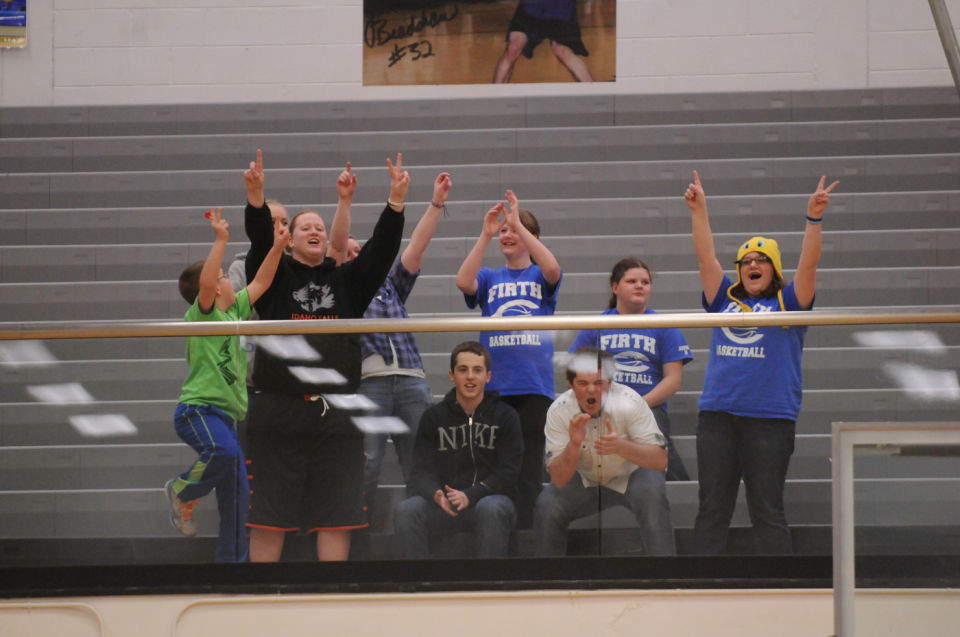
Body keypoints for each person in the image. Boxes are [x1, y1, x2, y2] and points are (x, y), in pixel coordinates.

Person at [242, 150, 407, 562]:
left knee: (337, 519)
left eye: (320, 226)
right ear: (290, 239)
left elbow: (381, 252)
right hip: (278, 412)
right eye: (305, 227)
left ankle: (331, 596)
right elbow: (260, 240)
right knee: (269, 519)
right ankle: (261, 597)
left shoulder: (348, 282)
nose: (314, 230)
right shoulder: (274, 276)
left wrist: (396, 202)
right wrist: (256, 197)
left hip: (337, 415)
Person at [683, 170, 839, 554]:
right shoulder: (724, 298)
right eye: (746, 261)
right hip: (718, 418)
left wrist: (814, 218)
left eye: (761, 260)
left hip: (769, 420)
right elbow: (705, 257)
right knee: (711, 511)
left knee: (767, 512)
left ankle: (779, 585)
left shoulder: (788, 302)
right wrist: (699, 210)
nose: (752, 265)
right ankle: (701, 586)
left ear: (773, 268)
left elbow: (809, 267)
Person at [166, 206, 287, 562]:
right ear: (212, 288)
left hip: (226, 418)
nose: (229, 282)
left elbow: (262, 282)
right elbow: (205, 283)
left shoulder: (235, 312)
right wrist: (221, 239)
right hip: (198, 411)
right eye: (223, 277)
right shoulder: (204, 314)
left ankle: (232, 565)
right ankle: (182, 490)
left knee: (238, 496)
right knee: (224, 453)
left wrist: (278, 248)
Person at [342, 173, 452, 524]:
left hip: (410, 379)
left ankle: (420, 530)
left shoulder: (389, 285)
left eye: (360, 250)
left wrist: (436, 203)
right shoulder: (341, 291)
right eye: (349, 251)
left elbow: (416, 247)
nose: (357, 254)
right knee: (367, 461)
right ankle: (355, 529)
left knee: (420, 462)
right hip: (368, 383)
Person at [455, 189, 562, 529]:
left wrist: (518, 223)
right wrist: (485, 234)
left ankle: (528, 535)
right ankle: (499, 529)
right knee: (497, 465)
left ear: (532, 237)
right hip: (495, 388)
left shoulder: (539, 276)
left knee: (529, 468)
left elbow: (552, 267)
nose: (507, 235)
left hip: (533, 387)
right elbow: (463, 281)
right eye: (504, 231)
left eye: (515, 230)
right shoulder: (490, 277)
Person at [533, 348, 675, 556]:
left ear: (610, 382)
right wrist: (573, 445)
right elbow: (558, 477)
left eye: (599, 383)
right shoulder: (559, 411)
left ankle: (666, 573)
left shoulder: (631, 402)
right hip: (585, 479)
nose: (591, 390)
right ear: (570, 384)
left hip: (632, 474)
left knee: (653, 495)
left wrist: (621, 447)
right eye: (583, 383)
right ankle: (546, 576)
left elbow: (660, 460)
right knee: (548, 505)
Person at [393, 341, 523, 558]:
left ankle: (490, 580)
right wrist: (435, 494)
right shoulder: (433, 417)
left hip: (489, 501)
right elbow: (420, 471)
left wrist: (470, 495)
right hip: (444, 504)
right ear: (452, 375)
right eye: (463, 370)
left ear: (488, 376)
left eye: (477, 370)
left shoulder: (506, 416)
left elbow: (509, 472)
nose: (470, 377)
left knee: (492, 509)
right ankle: (417, 579)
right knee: (406, 510)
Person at [568, 258, 693, 481]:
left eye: (645, 282)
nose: (639, 286)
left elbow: (673, 380)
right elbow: (575, 371)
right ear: (615, 287)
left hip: (649, 407)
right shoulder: (596, 325)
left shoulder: (664, 325)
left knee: (659, 450)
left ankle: (677, 488)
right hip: (602, 408)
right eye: (632, 281)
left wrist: (638, 406)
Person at [494, 0, 593, 83]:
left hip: (560, 10)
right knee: (513, 48)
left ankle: (593, 92)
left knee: (563, 50)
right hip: (531, 8)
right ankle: (495, 94)